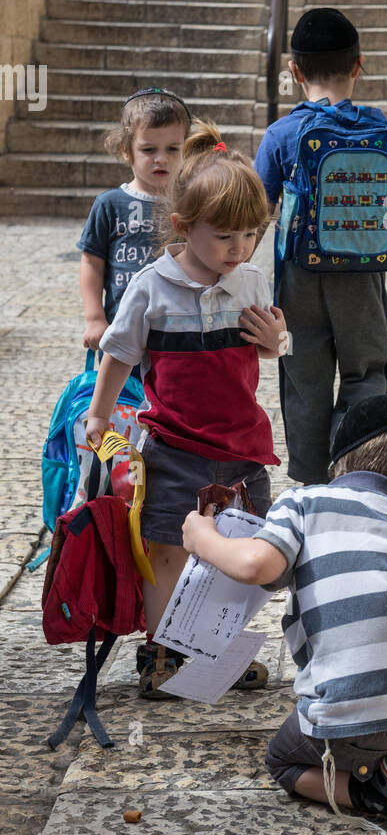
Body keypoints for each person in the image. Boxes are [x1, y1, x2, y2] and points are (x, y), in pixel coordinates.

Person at [182, 394, 387, 835]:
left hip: (359, 712)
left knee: (284, 762)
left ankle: (375, 790)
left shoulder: (304, 501)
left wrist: (202, 538)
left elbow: (257, 565)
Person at [85, 120, 288, 698]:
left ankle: (216, 649)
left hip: (243, 445)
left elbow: (275, 343)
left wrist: (276, 342)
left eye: (251, 235)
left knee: (240, 548)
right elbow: (119, 352)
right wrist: (99, 416)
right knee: (168, 550)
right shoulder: (152, 287)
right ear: (183, 227)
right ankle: (162, 653)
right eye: (225, 236)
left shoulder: (249, 280)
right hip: (174, 446)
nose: (239, 248)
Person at [254, 7, 387, 485]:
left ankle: (312, 481)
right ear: (359, 64)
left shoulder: (280, 134)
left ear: (294, 71)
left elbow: (256, 210)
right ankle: (355, 467)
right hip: (362, 269)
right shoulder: (380, 128)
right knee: (366, 372)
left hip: (299, 276)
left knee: (304, 381)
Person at [78, 87, 191, 356]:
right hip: (122, 329)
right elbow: (92, 262)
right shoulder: (110, 204)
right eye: (149, 149)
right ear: (126, 150)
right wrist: (95, 318)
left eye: (173, 149)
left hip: (179, 330)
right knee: (123, 397)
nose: (161, 158)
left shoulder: (192, 201)